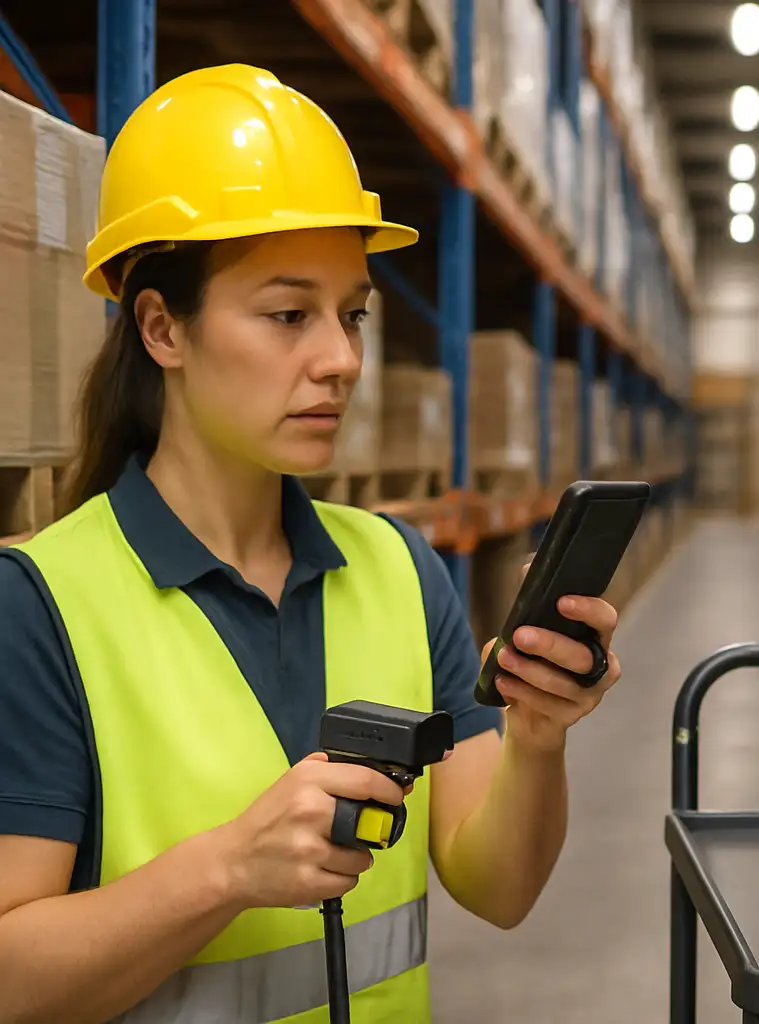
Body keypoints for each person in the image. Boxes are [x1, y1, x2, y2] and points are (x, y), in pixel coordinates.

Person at [0, 64, 624, 1022]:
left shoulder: (400, 571)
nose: (339, 359)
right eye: (289, 315)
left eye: (352, 315)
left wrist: (538, 741)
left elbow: (499, 889)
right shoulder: (43, 604)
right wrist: (227, 870)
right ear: (162, 327)